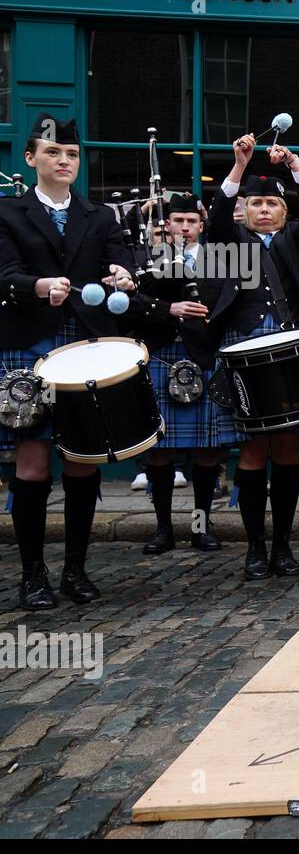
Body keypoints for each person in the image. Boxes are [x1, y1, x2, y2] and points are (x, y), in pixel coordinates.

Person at [0, 113, 140, 609]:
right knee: (34, 463)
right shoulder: (8, 212)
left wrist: (125, 275)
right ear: (31, 157)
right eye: (54, 153)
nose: (64, 161)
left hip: (86, 348)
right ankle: (33, 575)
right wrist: (37, 287)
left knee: (83, 461)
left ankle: (75, 570)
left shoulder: (99, 215)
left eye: (72, 155)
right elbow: (4, 276)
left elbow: (124, 261)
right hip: (29, 345)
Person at [208, 136, 299, 580]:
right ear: (246, 209)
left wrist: (297, 167)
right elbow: (217, 218)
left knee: (288, 452)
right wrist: (238, 168)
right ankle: (255, 548)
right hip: (244, 354)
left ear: (283, 211)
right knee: (253, 451)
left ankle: (282, 546)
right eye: (255, 203)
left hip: (292, 354)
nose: (262, 210)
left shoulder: (297, 240)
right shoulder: (232, 241)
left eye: (271, 204)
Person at [129, 193, 226, 555]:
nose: (185, 227)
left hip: (202, 355)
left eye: (191, 222)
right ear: (167, 225)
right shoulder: (147, 260)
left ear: (201, 226)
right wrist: (168, 309)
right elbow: (132, 307)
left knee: (207, 451)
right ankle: (164, 529)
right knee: (159, 453)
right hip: (161, 354)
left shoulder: (219, 261)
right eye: (178, 221)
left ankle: (201, 529)